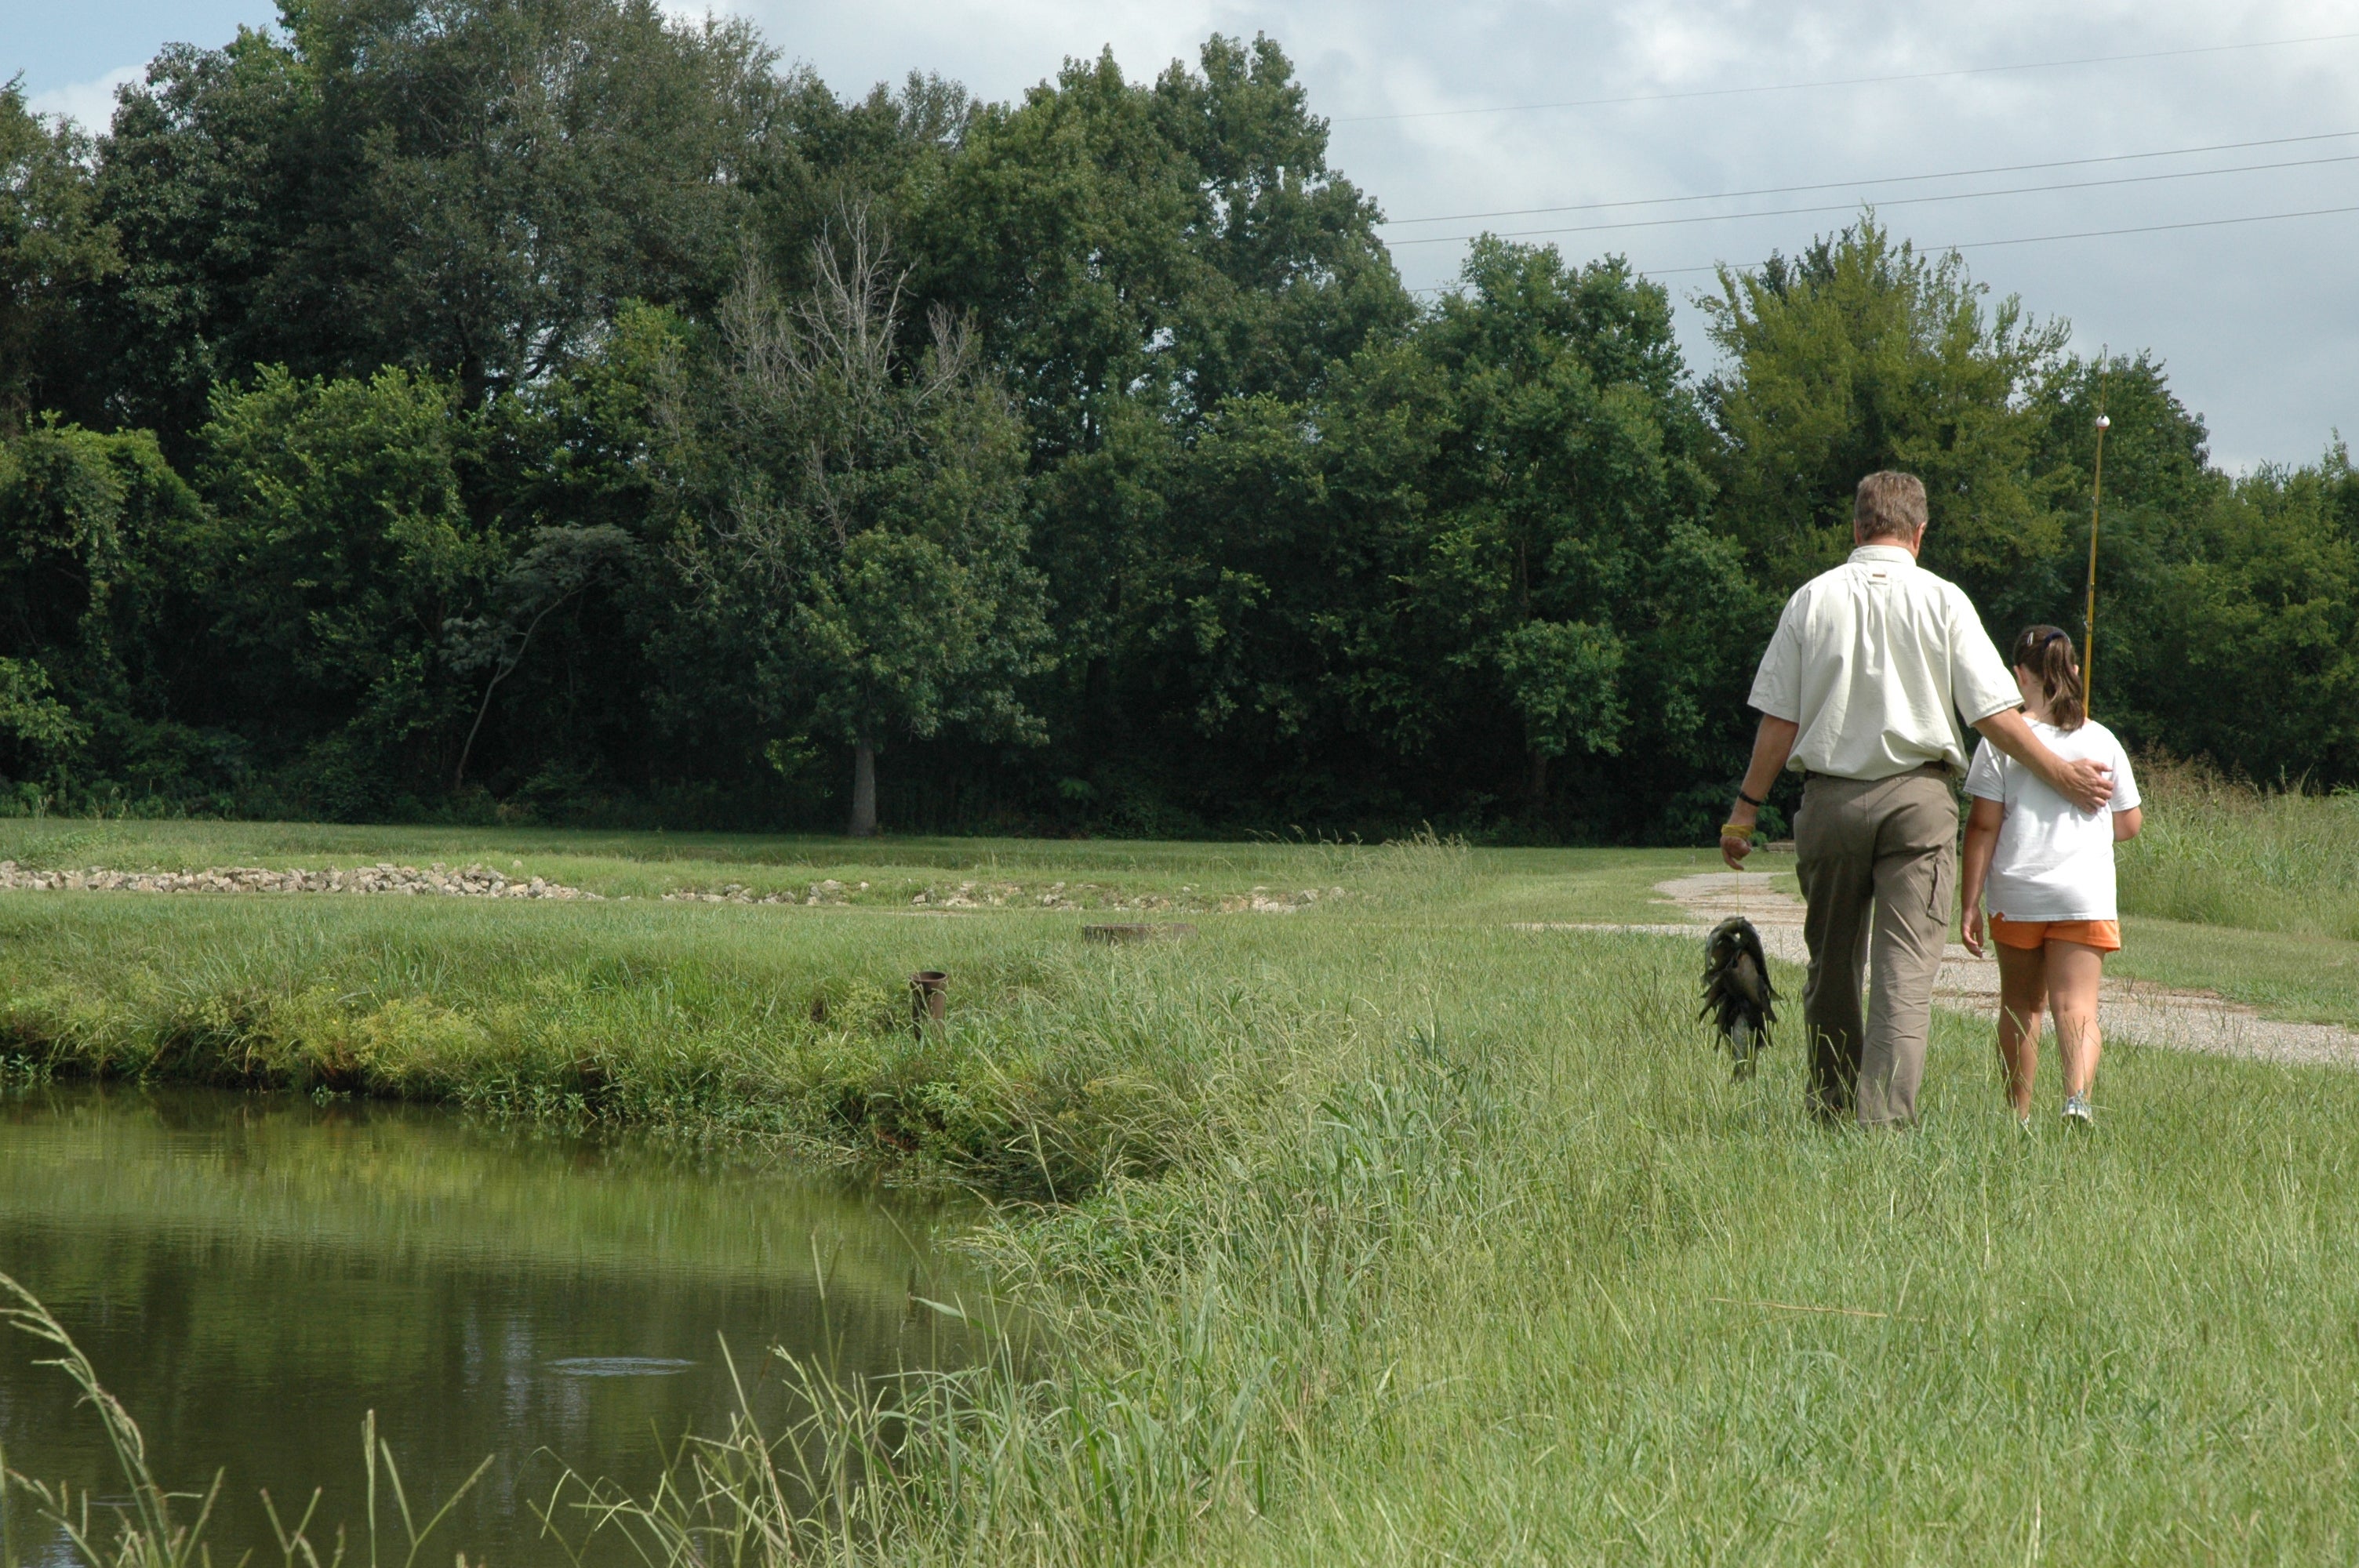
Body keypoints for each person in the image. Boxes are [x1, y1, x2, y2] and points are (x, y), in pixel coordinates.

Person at [1721, 472, 2114, 1127]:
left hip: (1831, 802)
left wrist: (1745, 810)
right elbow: (1994, 714)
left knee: (1833, 967)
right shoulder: (1945, 601)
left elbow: (1779, 724)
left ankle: (1829, 1113)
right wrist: (2060, 773)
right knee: (1903, 976)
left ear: (1856, 527)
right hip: (1918, 802)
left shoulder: (1811, 600)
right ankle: (1883, 1127)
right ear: (1920, 533)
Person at [1959, 627, 2143, 1128]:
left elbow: (1982, 825)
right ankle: (2077, 1099)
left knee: (2021, 1005)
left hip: (2018, 892)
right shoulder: (2101, 738)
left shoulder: (2001, 742)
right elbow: (2128, 823)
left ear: (2020, 675)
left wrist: (1969, 901)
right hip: (2084, 894)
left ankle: (2016, 1117)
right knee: (2076, 1004)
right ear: (2073, 671)